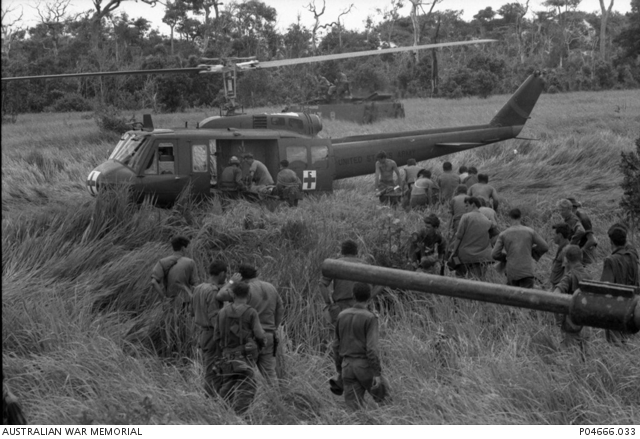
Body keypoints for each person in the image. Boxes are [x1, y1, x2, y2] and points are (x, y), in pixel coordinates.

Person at [218, 264, 283, 385]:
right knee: (270, 374)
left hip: (249, 338)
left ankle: (244, 401)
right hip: (268, 336)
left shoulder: (243, 289)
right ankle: (276, 401)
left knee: (244, 375)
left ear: (241, 277)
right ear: (256, 274)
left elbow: (221, 295)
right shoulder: (271, 287)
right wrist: (274, 328)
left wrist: (232, 281)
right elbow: (280, 309)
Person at [332, 283, 389, 411]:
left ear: (353, 296)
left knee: (353, 411)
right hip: (365, 367)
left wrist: (339, 370)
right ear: (369, 298)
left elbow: (335, 346)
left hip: (346, 367)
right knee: (386, 401)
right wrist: (377, 374)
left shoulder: (341, 315)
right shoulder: (370, 318)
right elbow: (372, 349)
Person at [214, 282, 266, 415]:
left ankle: (221, 415)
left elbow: (217, 336)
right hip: (244, 357)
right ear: (249, 294)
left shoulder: (222, 312)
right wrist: (259, 344)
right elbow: (260, 334)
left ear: (232, 294)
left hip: (226, 355)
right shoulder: (251, 312)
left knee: (227, 385)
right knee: (248, 387)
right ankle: (239, 417)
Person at [191, 261, 232, 397]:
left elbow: (192, 312)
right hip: (213, 335)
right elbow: (215, 318)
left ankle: (211, 398)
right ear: (221, 274)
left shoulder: (198, 288)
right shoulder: (213, 292)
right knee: (213, 372)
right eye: (225, 275)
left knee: (209, 367)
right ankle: (210, 401)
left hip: (203, 333)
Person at [600, 224, 639, 345]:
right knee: (628, 344)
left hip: (615, 309)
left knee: (616, 344)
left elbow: (604, 286)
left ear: (611, 241)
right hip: (632, 306)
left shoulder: (611, 260)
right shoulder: (633, 256)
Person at [491, 208, 549, 289]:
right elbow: (545, 246)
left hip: (512, 271)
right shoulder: (530, 231)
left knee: (513, 296)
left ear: (509, 218)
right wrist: (531, 253)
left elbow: (494, 254)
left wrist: (506, 257)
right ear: (520, 217)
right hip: (527, 270)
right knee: (527, 297)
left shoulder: (503, 234)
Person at [319, 239, 371, 327]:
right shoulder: (364, 264)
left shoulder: (335, 264)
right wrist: (369, 298)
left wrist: (328, 303)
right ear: (356, 251)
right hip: (361, 306)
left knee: (339, 336)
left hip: (340, 308)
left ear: (342, 251)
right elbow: (375, 284)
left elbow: (321, 284)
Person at [553, 245, 590, 349]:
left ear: (566, 259)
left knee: (569, 360)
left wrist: (559, 319)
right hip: (587, 327)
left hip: (571, 326)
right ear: (581, 257)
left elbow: (555, 296)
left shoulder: (569, 276)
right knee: (585, 360)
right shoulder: (589, 276)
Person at [448, 196, 493, 279]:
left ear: (473, 205)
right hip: (482, 257)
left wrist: (453, 252)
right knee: (477, 280)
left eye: (467, 205)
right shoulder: (487, 220)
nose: (465, 208)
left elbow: (459, 237)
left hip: (465, 257)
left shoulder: (466, 217)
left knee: (459, 278)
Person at [150, 236, 196, 303]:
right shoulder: (190, 262)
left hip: (170, 302)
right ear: (183, 248)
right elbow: (196, 285)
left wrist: (164, 298)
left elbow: (153, 282)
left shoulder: (162, 262)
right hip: (186, 301)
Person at [566, 197, 598, 264]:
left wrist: (581, 252)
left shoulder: (583, 219)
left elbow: (592, 240)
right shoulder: (570, 219)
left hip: (587, 252)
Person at [549, 223, 571, 288]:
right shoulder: (562, 248)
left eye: (554, 234)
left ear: (560, 235)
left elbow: (566, 272)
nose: (552, 237)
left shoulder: (566, 250)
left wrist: (560, 289)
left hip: (558, 288)